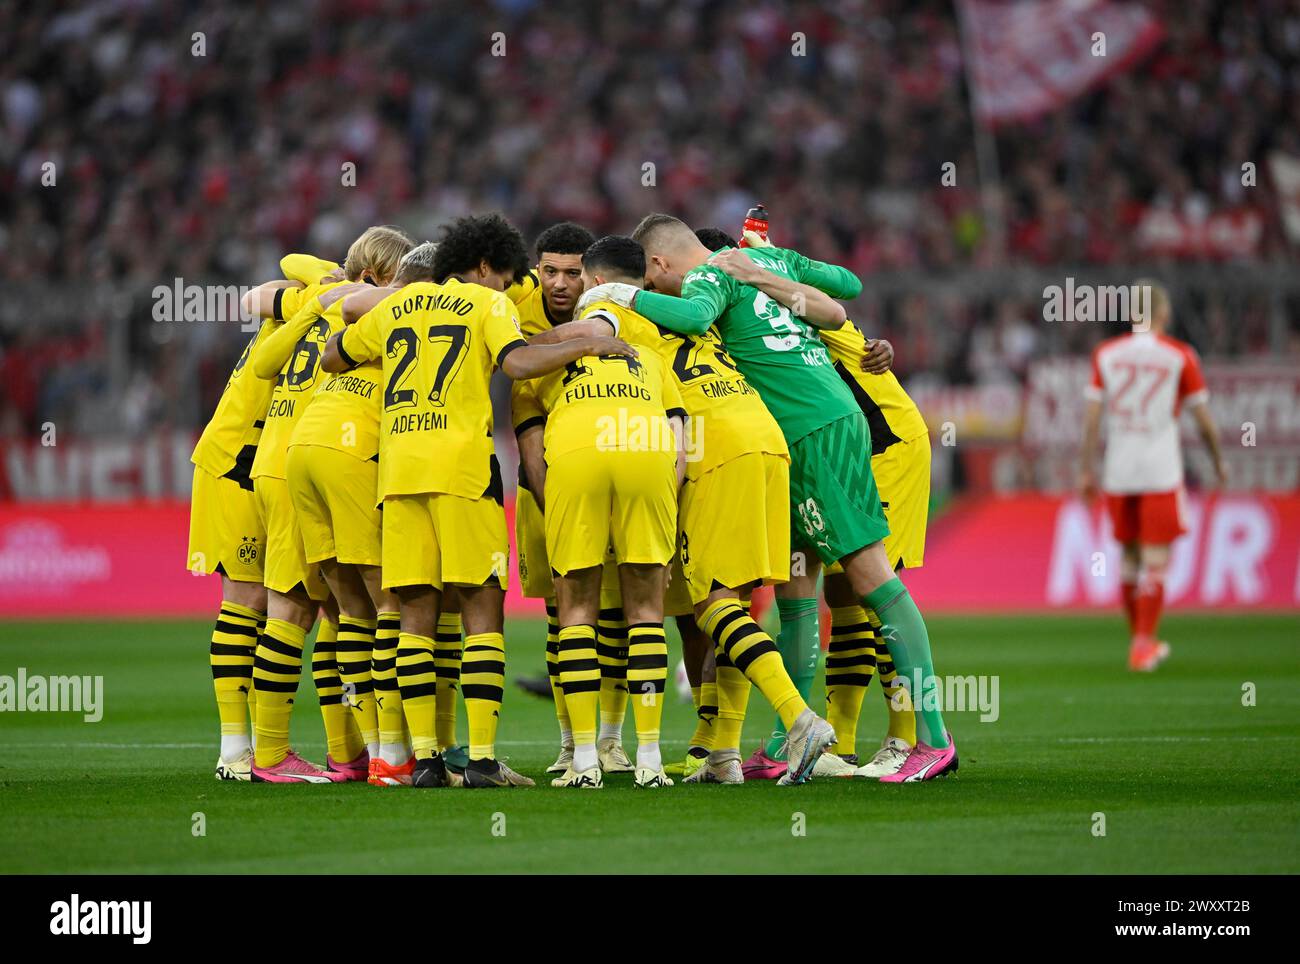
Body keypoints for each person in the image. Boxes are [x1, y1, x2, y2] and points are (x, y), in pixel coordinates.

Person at [1079, 280, 1226, 671]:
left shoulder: (1106, 354)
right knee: (1156, 559)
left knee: (1129, 558)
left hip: (1119, 471)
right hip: (1160, 469)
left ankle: (1138, 640)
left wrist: (1085, 469)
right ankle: (1144, 642)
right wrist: (1218, 461)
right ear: (1164, 313)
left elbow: (1092, 419)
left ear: (1132, 313)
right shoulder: (1180, 355)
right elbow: (1204, 420)